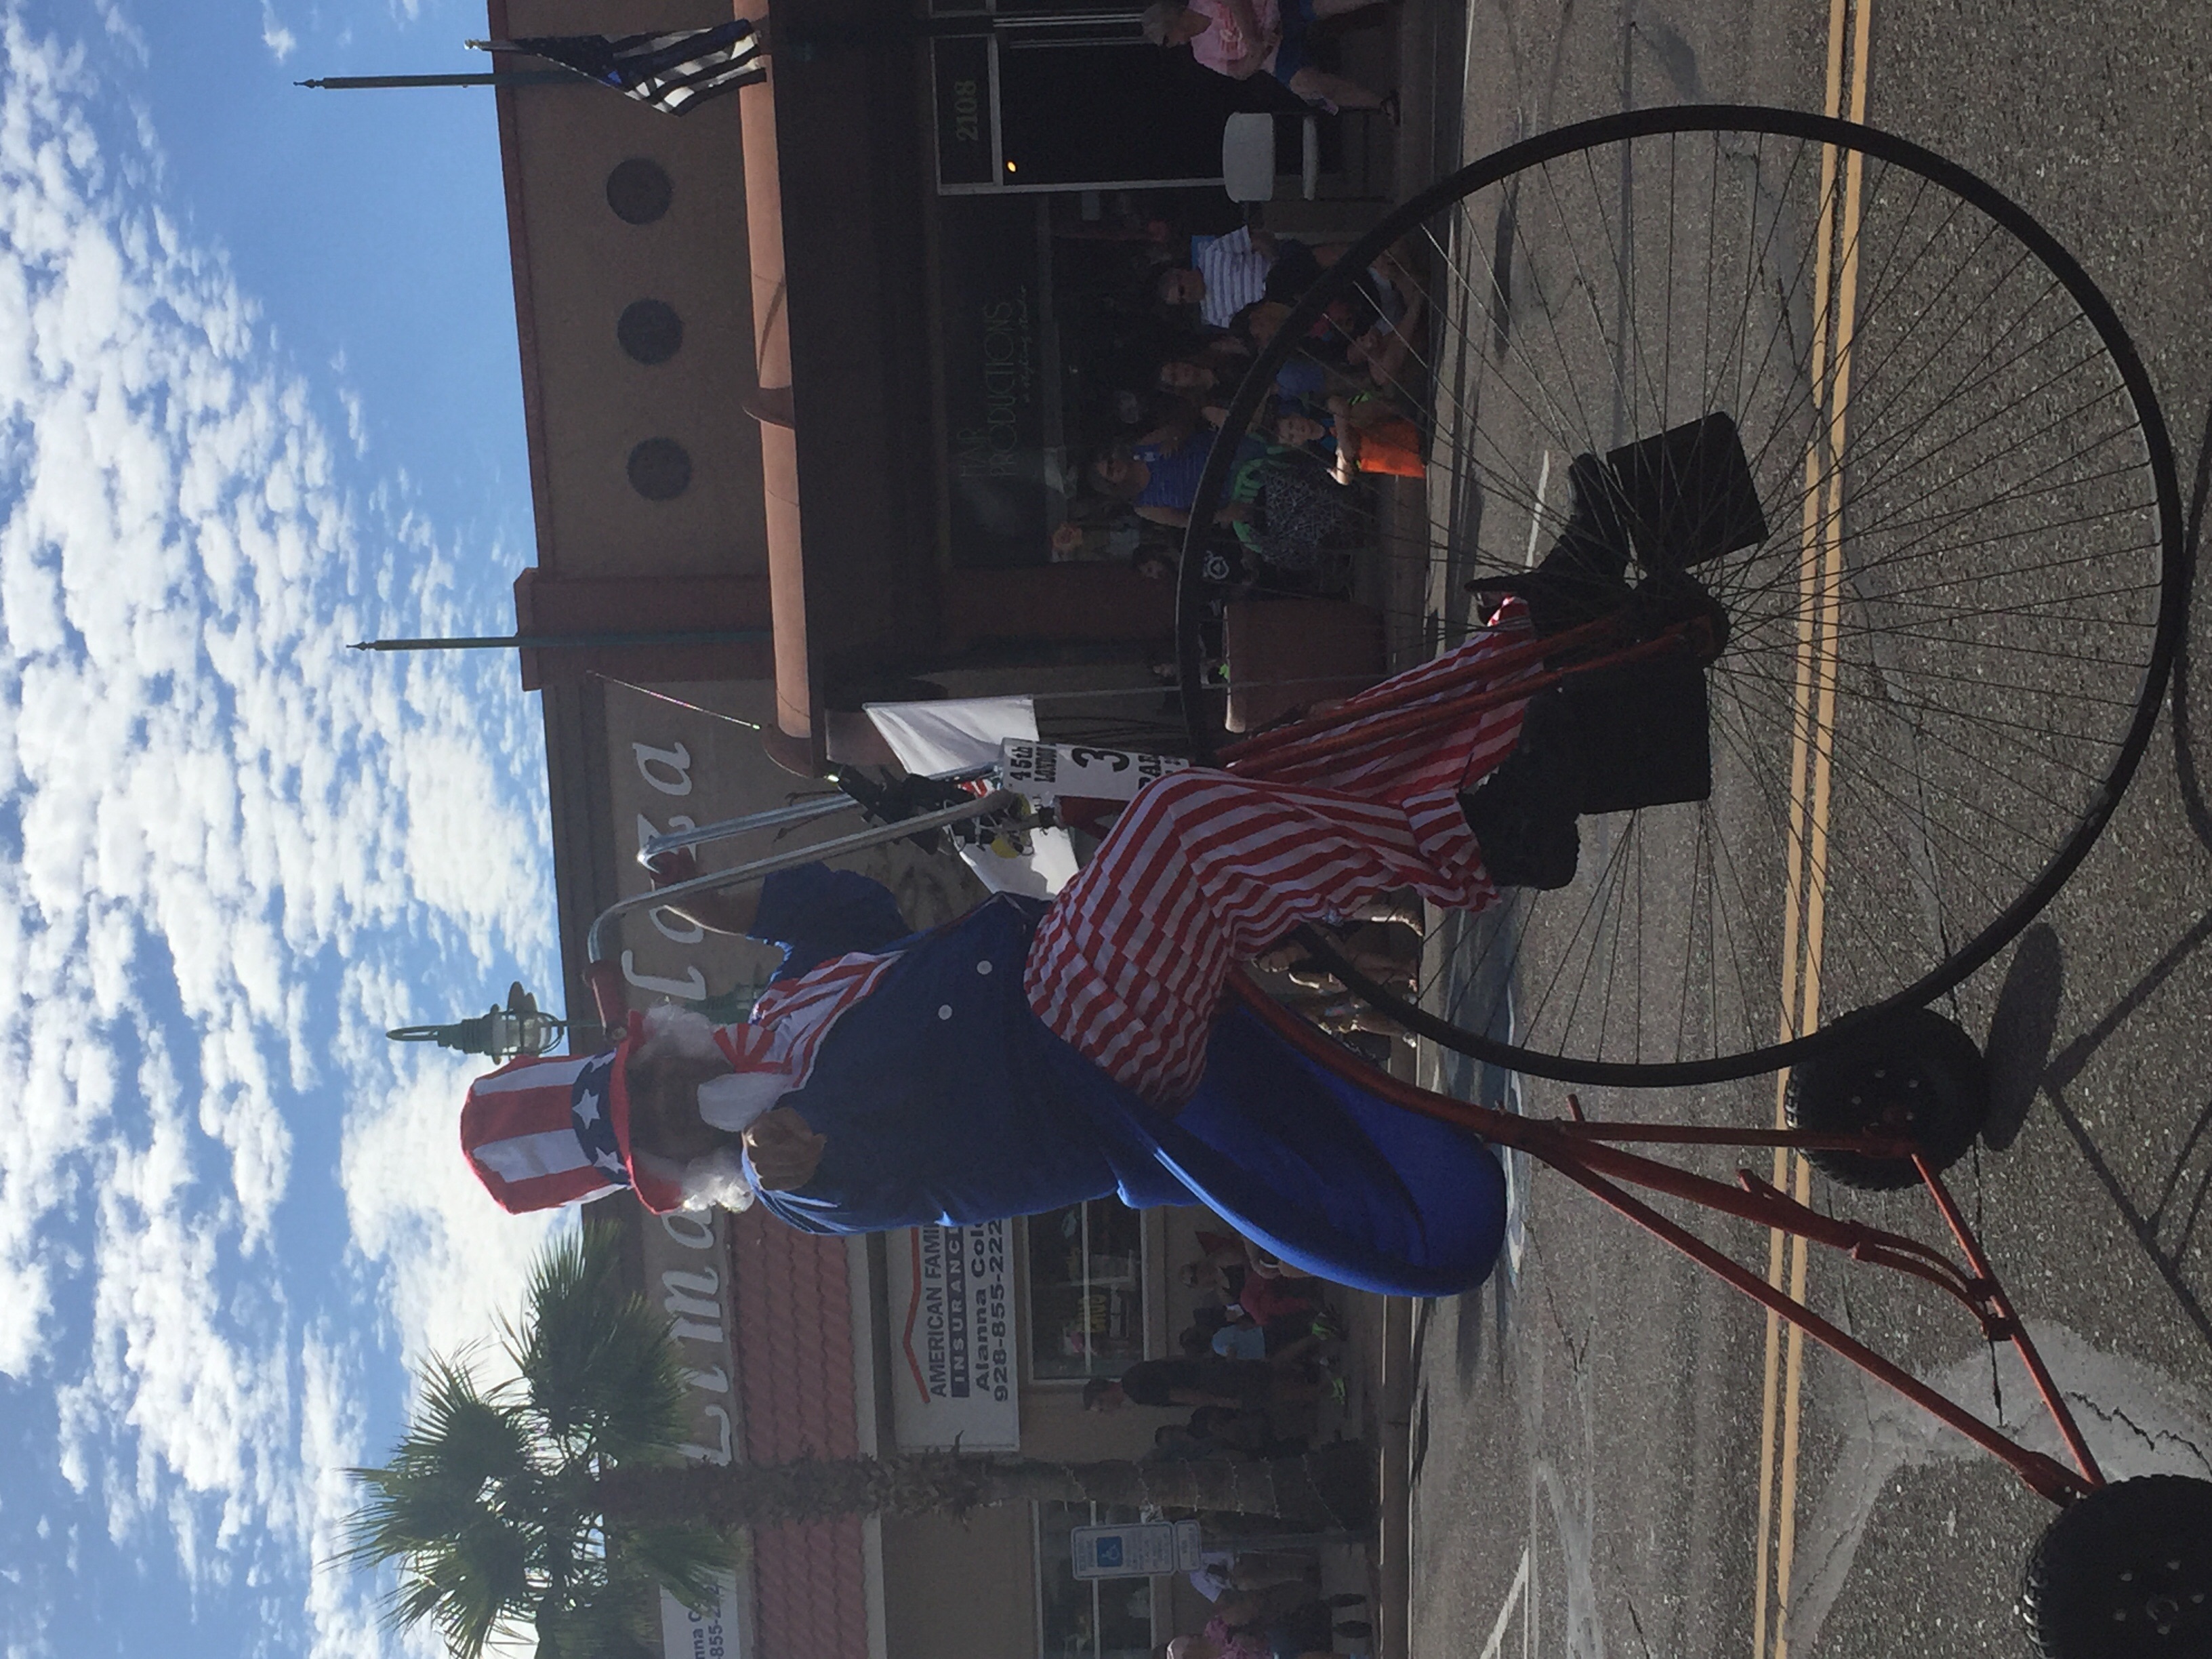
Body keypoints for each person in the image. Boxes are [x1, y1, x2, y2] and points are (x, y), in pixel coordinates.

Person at [458, 596, 1647, 1294]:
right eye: (655, 1124)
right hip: (1074, 1060)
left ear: (649, 1040)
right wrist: (803, 1159)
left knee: (1234, 784)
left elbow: (847, 916)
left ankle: (1520, 665)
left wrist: (720, 904)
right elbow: (856, 1181)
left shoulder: (783, 1003)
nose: (671, 1098)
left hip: (1061, 963)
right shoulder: (787, 1178)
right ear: (674, 1167)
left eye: (645, 1081)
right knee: (1179, 827)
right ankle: (1481, 842)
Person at [1140, 0, 1397, 118]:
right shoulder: (1201, 53)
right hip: (1272, 53)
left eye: (1167, 39)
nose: (1173, 44)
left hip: (1277, 8)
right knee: (1309, 87)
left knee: (1326, 4)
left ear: (1170, 21)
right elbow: (1238, 72)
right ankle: (1381, 103)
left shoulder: (1201, 3)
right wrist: (1258, 53)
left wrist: (1252, 37)